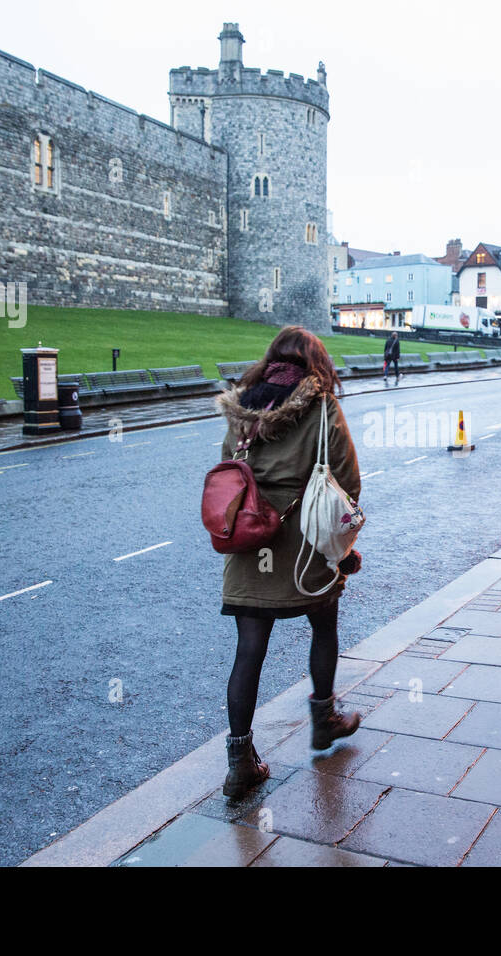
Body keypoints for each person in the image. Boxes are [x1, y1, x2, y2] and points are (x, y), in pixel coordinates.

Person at [215, 326, 363, 798]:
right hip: (306, 546)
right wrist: (342, 545)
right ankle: (325, 721)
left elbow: (227, 471)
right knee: (323, 625)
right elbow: (348, 482)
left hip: (250, 540)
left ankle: (240, 761)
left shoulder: (243, 407)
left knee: (249, 651)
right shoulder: (322, 408)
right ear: (315, 363)